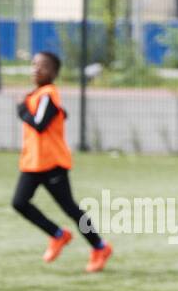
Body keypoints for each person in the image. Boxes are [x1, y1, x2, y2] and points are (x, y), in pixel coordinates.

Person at [12, 51, 112, 273]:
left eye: (43, 66)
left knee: (70, 209)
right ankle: (58, 234)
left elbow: (39, 124)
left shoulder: (48, 93)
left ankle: (100, 247)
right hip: (33, 163)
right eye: (34, 65)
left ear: (54, 73)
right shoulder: (38, 95)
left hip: (52, 164)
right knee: (19, 203)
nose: (37, 69)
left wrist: (21, 109)